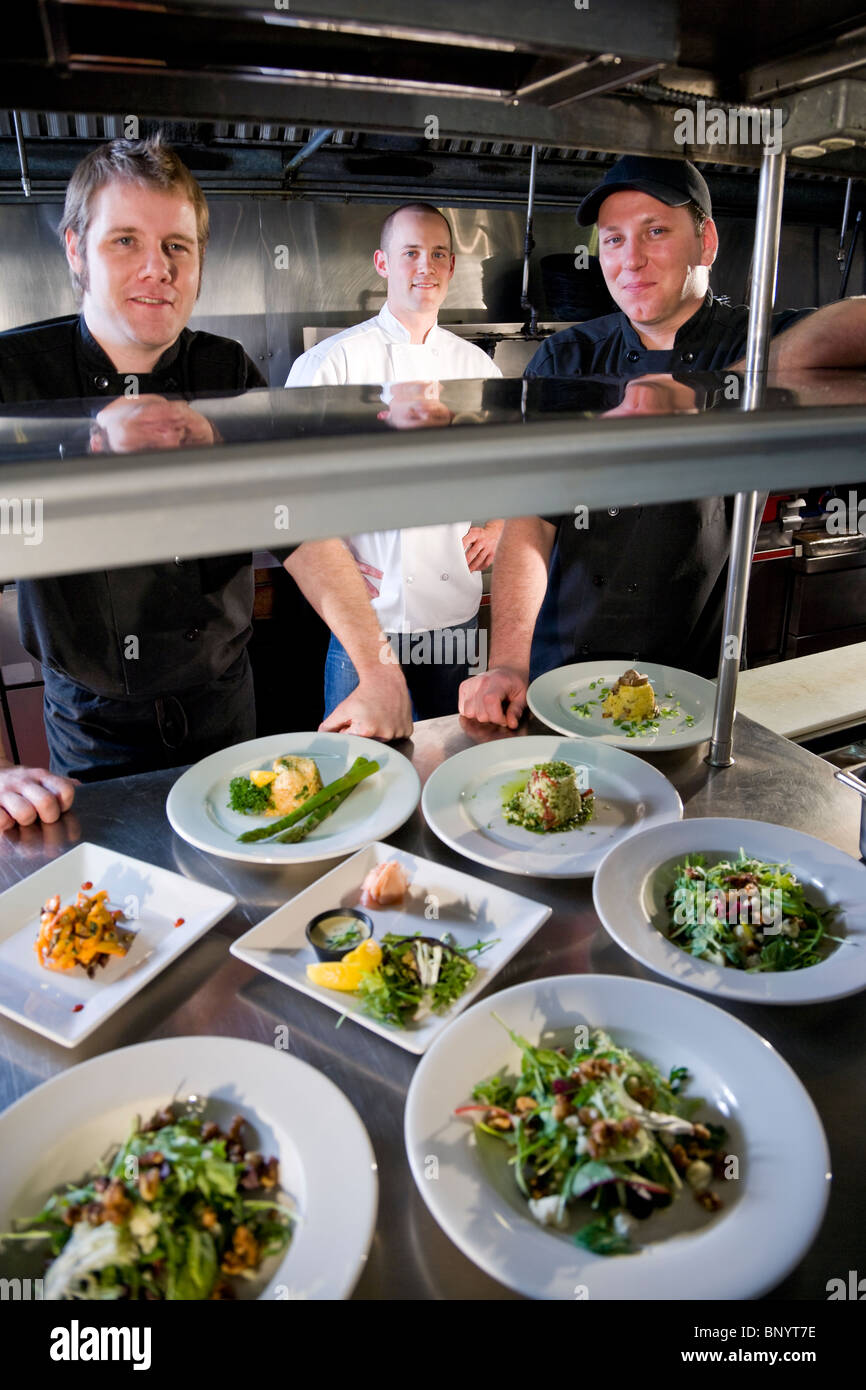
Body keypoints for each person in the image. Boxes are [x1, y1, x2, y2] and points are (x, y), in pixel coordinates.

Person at [0, 135, 412, 831]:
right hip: (93, 730)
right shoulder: (16, 377)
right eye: (124, 241)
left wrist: (377, 665)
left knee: (236, 885)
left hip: (225, 711)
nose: (156, 268)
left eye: (177, 247)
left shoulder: (228, 373)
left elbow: (298, 527)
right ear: (75, 250)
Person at [459, 153, 866, 728]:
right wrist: (507, 662)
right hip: (561, 674)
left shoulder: (755, 340)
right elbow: (531, 521)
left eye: (656, 231)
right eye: (613, 239)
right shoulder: (564, 358)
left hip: (695, 685)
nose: (632, 259)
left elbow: (858, 323)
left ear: (707, 242)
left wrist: (708, 391)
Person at [286, 202, 504, 719]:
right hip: (368, 620)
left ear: (452, 266)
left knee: (451, 760)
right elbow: (288, 485)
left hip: (454, 616)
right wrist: (333, 553)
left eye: (437, 254)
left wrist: (497, 524)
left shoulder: (478, 368)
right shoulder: (330, 364)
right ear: (383, 263)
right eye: (410, 253)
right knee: (361, 775)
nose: (424, 266)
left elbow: (510, 469)